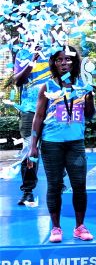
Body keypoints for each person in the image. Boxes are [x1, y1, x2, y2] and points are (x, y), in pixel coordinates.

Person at [26, 46, 96, 243]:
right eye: (60, 60)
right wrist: (33, 146)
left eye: (68, 59)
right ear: (54, 63)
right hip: (51, 144)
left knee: (79, 185)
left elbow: (90, 115)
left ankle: (80, 227)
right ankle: (56, 228)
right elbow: (38, 117)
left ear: (75, 63)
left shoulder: (83, 85)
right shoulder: (47, 86)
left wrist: (90, 97)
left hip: (75, 144)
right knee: (54, 185)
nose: (64, 63)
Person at [10, 39, 49, 205]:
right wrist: (32, 60)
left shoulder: (54, 52)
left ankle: (58, 185)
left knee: (54, 148)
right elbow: (17, 81)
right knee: (29, 150)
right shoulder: (23, 54)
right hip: (29, 111)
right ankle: (28, 191)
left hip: (52, 110)